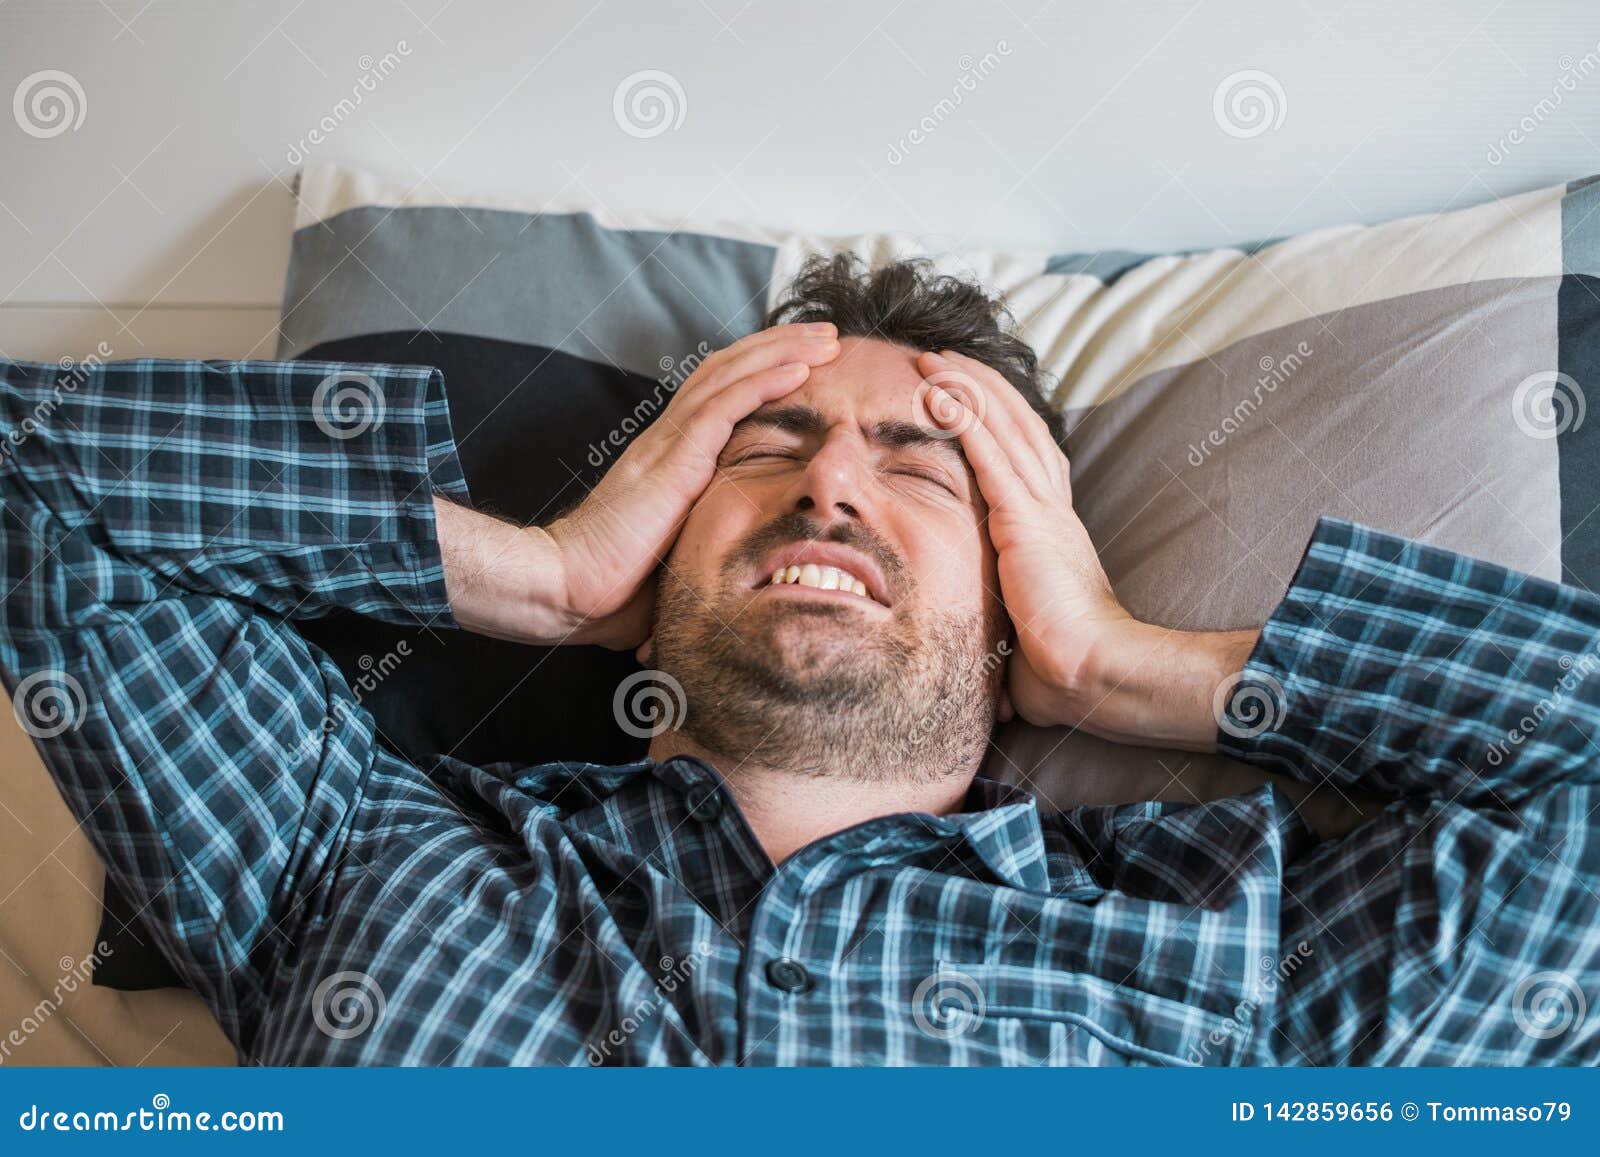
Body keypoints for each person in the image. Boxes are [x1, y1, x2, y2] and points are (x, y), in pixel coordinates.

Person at [1, 256, 1595, 1066]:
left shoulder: (1222, 945)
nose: (831, 482)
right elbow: (30, 472)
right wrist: (544, 576)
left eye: (925, 463)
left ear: (1015, 585)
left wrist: (1129, 666)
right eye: (766, 439)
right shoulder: (354, 848)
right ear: (664, 517)